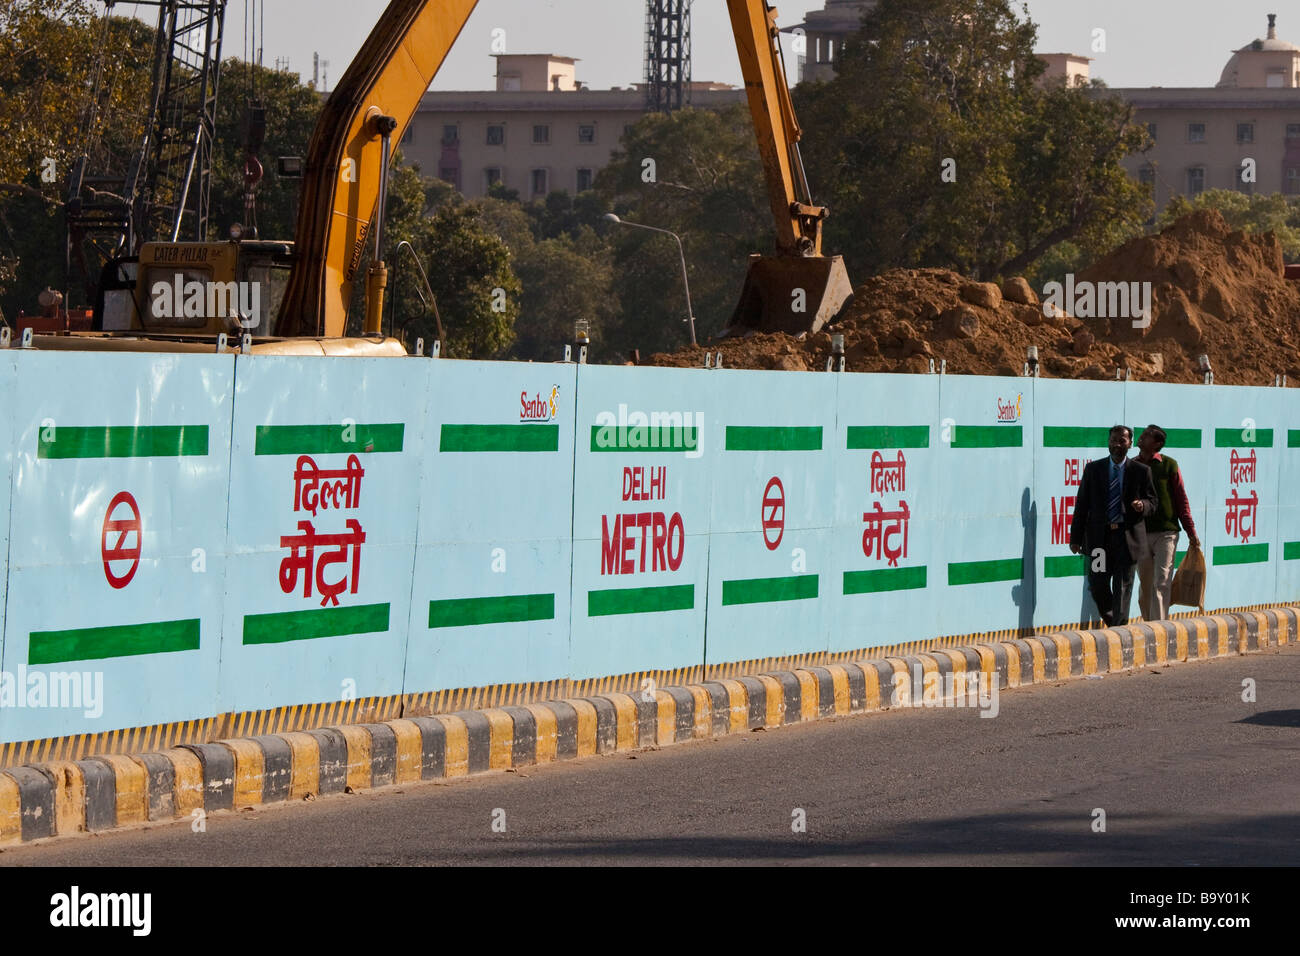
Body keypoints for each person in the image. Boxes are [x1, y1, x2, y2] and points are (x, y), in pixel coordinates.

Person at [1069, 425, 1158, 626]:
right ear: (1108, 443)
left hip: (1126, 541)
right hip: (1099, 541)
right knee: (1097, 584)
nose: (1117, 445)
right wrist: (1075, 538)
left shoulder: (1141, 471)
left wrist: (1142, 505)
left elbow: (1153, 503)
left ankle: (1118, 632)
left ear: (1130, 443)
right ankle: (1116, 623)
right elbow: (1081, 505)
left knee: (1122, 588)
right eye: (1114, 440)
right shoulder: (1094, 470)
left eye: (1122, 441)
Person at [1133, 424, 1200, 622]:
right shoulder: (1132, 465)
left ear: (1157, 443)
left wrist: (1191, 531)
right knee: (1145, 584)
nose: (1141, 438)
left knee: (1161, 582)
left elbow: (1181, 500)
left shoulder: (1169, 465)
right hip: (1141, 532)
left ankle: (1159, 629)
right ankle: (1148, 626)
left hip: (1166, 533)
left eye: (1146, 436)